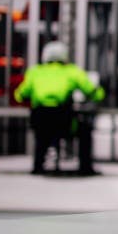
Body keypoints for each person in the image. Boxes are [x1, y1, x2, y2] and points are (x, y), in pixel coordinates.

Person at [14, 41, 105, 175]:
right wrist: (99, 94)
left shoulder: (35, 72)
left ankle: (38, 166)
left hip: (40, 121)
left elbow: (20, 95)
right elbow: (93, 92)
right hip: (64, 121)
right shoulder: (72, 71)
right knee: (85, 130)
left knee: (41, 136)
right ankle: (85, 167)